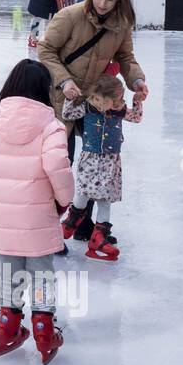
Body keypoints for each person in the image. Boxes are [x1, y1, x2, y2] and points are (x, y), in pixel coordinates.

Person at [0, 58, 72, 364]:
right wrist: (62, 201)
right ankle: (43, 330)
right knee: (42, 274)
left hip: (5, 217)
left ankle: (7, 327)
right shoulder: (51, 126)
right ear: (43, 91)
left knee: (10, 274)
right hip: (40, 216)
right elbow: (57, 167)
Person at [37, 0, 149, 170]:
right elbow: (45, 50)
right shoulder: (70, 16)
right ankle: (59, 202)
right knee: (61, 160)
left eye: (109, 0)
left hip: (94, 101)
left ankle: (83, 203)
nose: (102, 4)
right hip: (62, 98)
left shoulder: (120, 26)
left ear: (119, 1)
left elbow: (125, 57)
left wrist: (137, 81)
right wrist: (65, 80)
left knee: (96, 164)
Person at [59, 73, 143, 263]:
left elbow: (136, 117)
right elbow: (67, 114)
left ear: (113, 101)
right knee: (81, 197)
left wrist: (137, 101)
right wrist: (69, 98)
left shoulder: (119, 111)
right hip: (90, 160)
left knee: (105, 200)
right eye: (93, 97)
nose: (94, 101)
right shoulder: (88, 107)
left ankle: (99, 238)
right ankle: (66, 228)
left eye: (99, 99)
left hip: (110, 163)